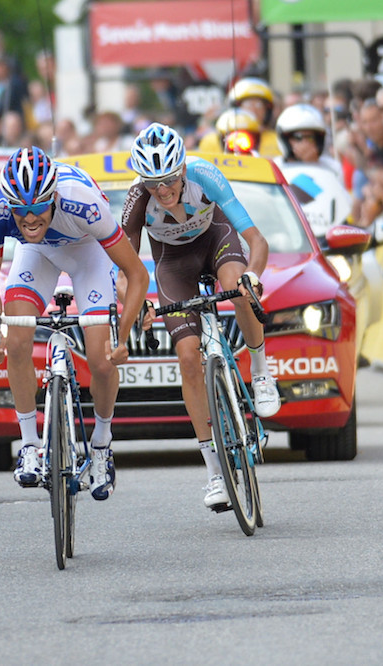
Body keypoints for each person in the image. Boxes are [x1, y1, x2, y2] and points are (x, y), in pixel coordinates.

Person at [122, 123, 280, 510]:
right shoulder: (137, 198)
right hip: (173, 265)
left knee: (239, 289)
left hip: (216, 242)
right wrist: (134, 304)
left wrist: (253, 278)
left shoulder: (205, 175)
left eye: (170, 179)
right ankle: (214, 473)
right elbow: (124, 265)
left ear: (182, 170)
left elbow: (256, 240)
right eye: (153, 183)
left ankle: (260, 373)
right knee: (188, 357)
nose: (163, 190)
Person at [0, 146, 149, 500]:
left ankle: (101, 446)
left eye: (38, 207)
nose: (29, 218)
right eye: (20, 210)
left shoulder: (82, 203)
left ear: (54, 196)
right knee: (18, 341)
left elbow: (136, 273)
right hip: (36, 254)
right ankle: (29, 446)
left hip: (89, 253)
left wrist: (122, 333)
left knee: (101, 359)